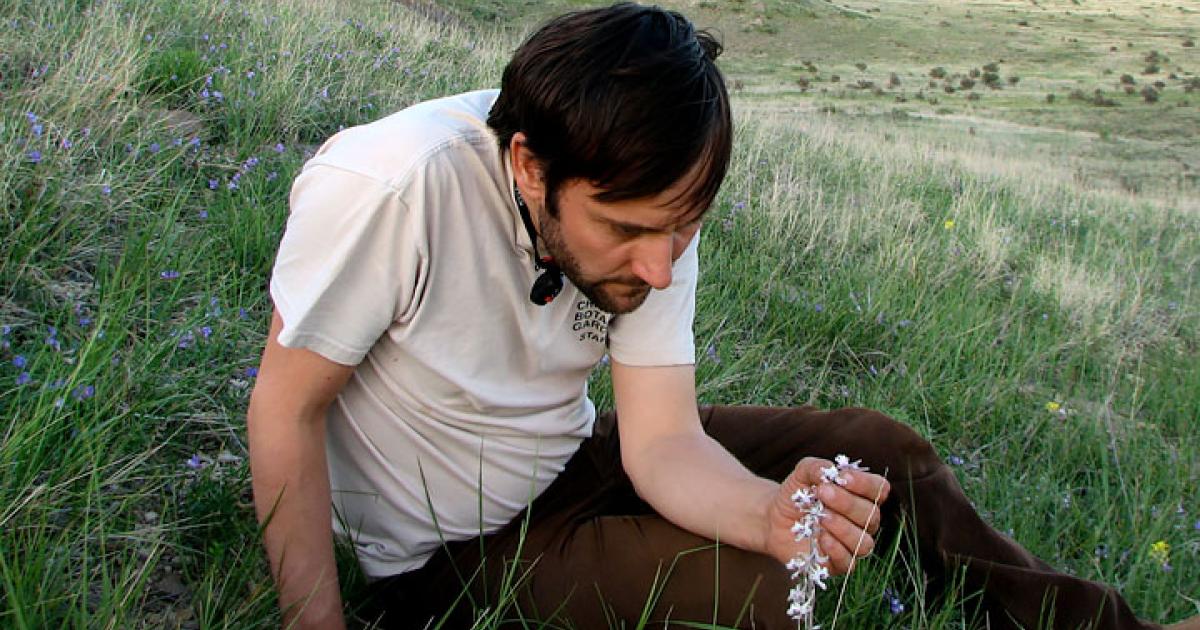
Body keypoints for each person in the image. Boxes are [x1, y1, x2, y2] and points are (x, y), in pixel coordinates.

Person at [247, 3, 1197, 629]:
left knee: (876, 450)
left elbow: (658, 443)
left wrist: (768, 511)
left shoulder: (655, 204)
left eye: (683, 229)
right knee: (769, 597)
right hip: (450, 555)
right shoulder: (393, 185)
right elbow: (286, 411)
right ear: (532, 167)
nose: (659, 268)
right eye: (626, 231)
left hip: (580, 460)